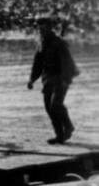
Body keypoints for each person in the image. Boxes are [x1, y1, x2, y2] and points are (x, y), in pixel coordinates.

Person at [28, 15, 78, 144]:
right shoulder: (41, 44)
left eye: (44, 28)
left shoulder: (59, 43)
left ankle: (68, 126)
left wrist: (65, 79)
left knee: (55, 105)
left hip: (61, 77)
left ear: (50, 28)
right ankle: (59, 135)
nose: (41, 31)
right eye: (39, 29)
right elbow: (37, 64)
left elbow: (67, 63)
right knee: (49, 108)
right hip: (48, 79)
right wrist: (32, 79)